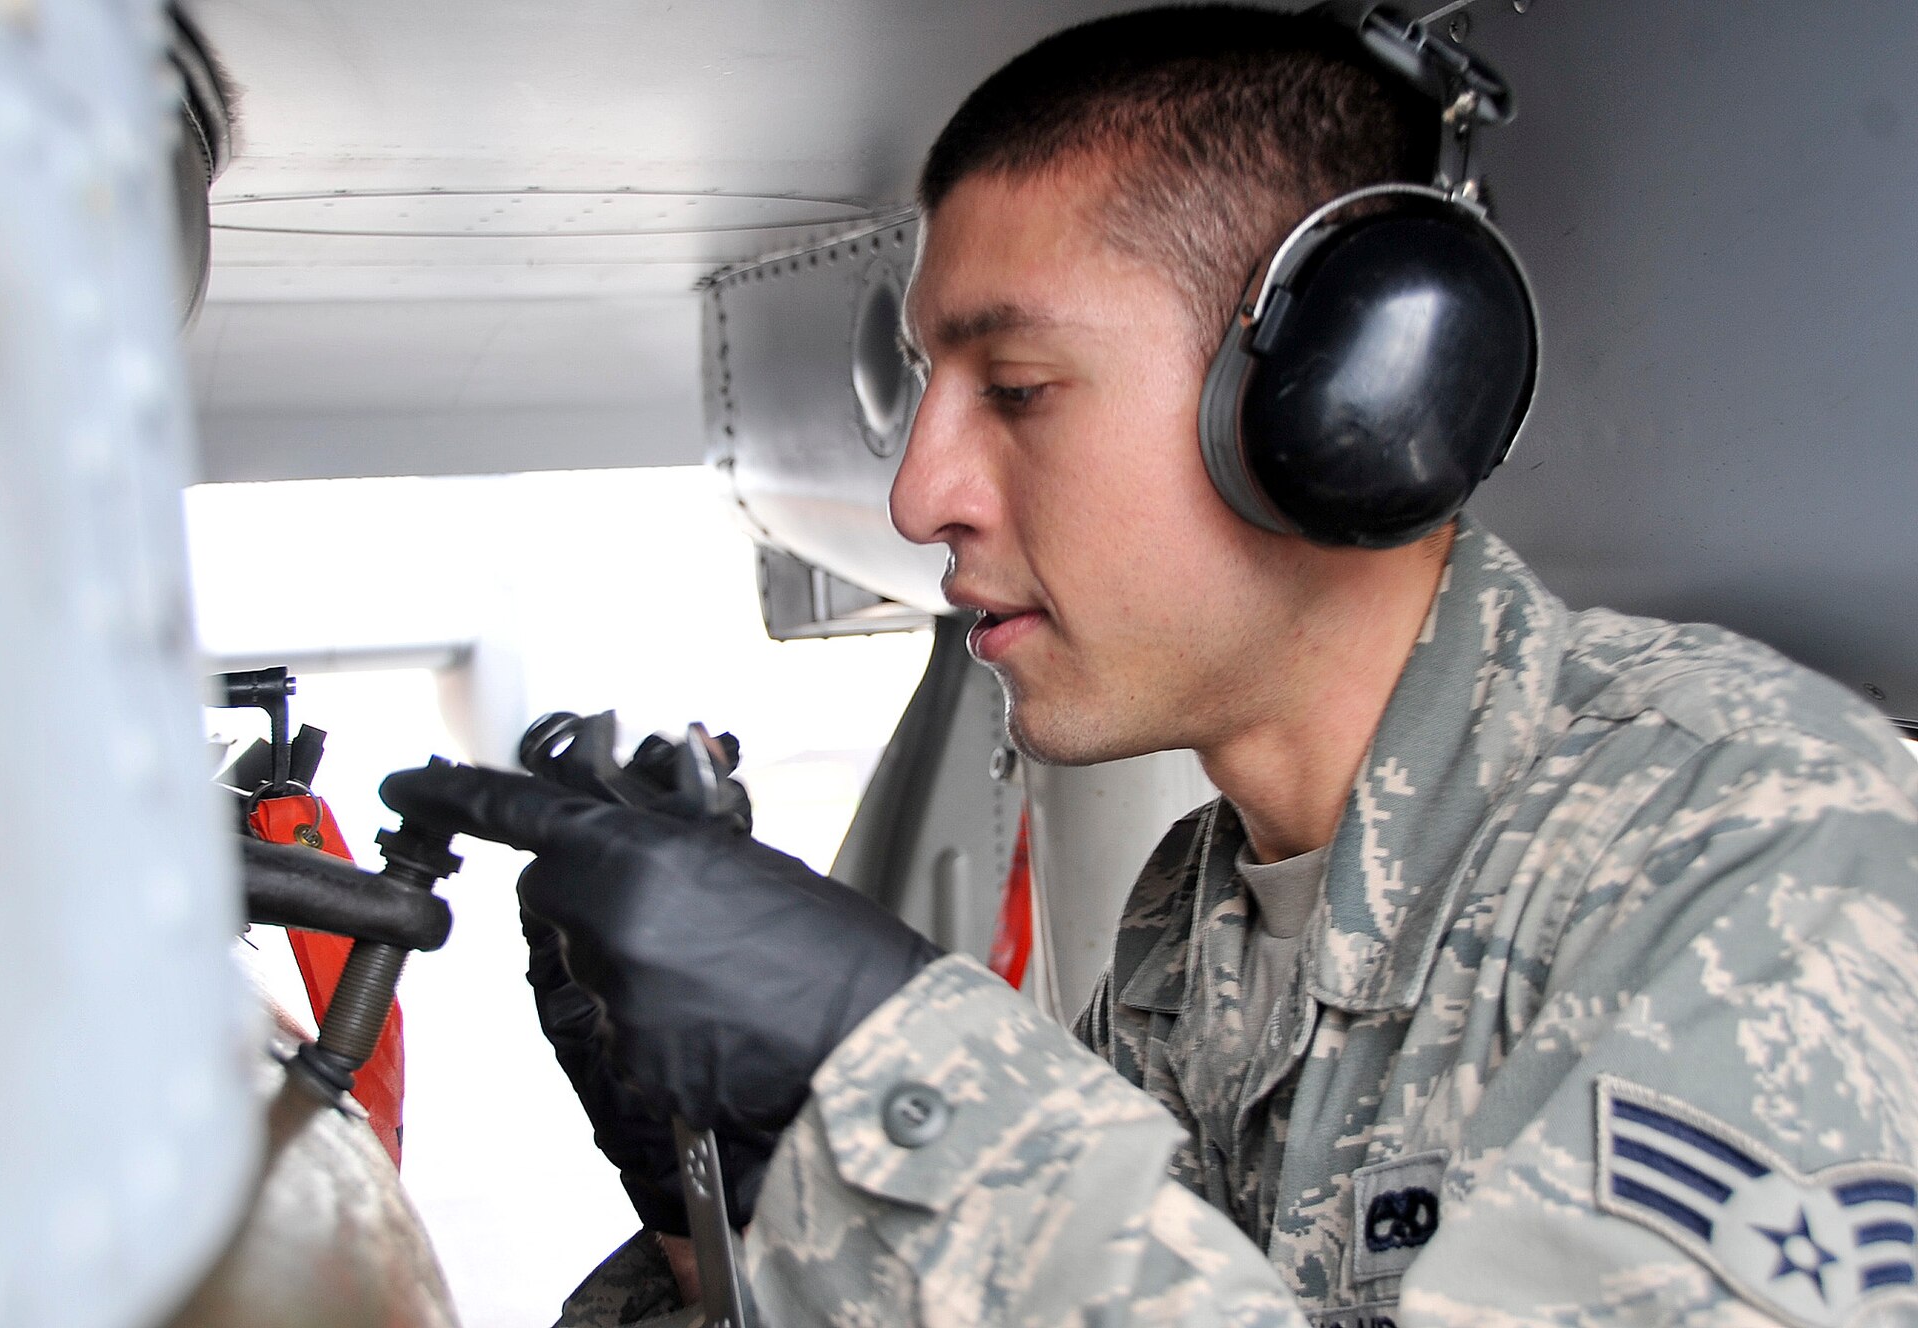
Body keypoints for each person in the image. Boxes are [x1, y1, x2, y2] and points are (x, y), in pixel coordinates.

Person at [383, 7, 1918, 1326]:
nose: (919, 497)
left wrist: (898, 1071)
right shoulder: (1199, 920)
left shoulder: (1758, 862)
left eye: (1018, 389)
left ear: (1339, 399)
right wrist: (736, 1185)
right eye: (928, 389)